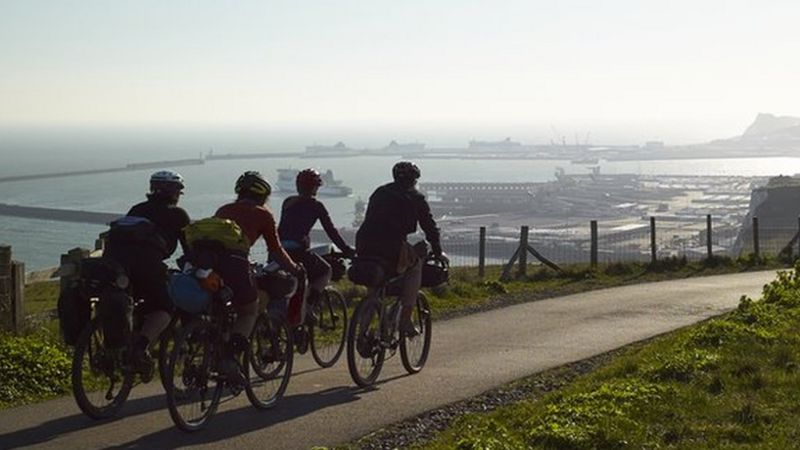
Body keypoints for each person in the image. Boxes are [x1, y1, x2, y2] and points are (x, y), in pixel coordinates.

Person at [214, 171, 300, 384]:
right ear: (263, 195)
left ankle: (210, 348)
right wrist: (294, 268)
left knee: (220, 310)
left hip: (210, 265)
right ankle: (230, 359)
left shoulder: (224, 209)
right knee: (249, 311)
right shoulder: (263, 215)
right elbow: (277, 250)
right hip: (235, 265)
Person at [103, 170, 190, 378]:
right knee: (164, 307)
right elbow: (190, 249)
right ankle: (140, 348)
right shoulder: (178, 214)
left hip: (114, 266)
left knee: (131, 301)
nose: (179, 195)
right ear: (173, 192)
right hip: (146, 265)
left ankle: (120, 348)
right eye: (178, 191)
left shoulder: (137, 209)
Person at [355, 161, 446, 336]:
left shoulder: (380, 192)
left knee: (374, 288)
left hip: (365, 243)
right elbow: (429, 227)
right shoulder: (416, 198)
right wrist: (437, 250)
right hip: (392, 245)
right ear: (414, 180)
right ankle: (405, 319)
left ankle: (362, 332)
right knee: (415, 266)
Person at [277, 169, 356, 312]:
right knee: (326, 270)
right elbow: (331, 231)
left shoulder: (288, 202)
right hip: (298, 252)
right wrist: (346, 250)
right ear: (315, 187)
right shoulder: (316, 205)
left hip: (279, 252)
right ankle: (308, 306)